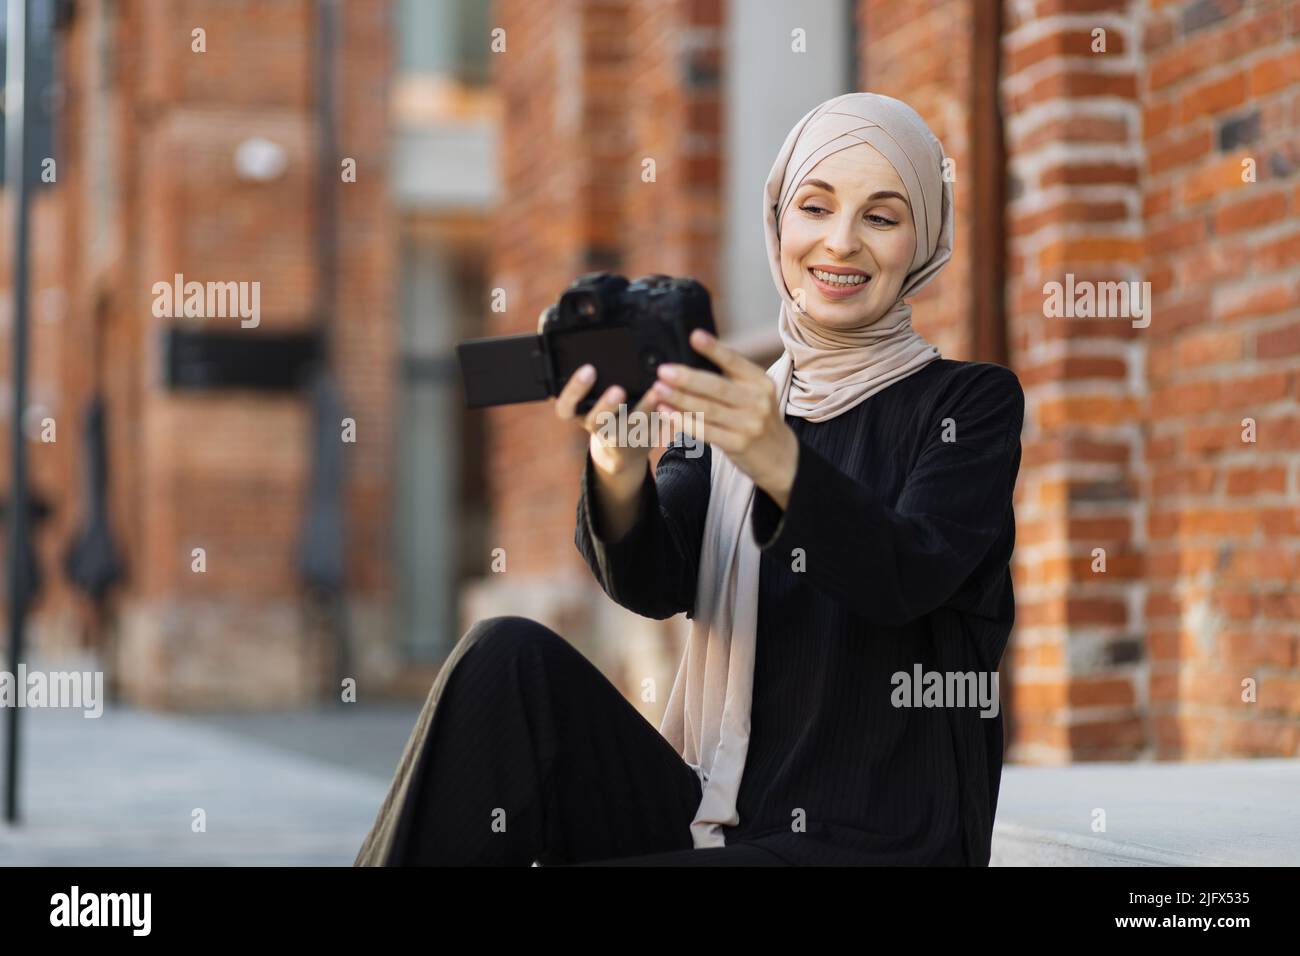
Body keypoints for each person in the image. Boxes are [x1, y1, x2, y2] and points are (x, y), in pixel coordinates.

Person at [355, 92, 1024, 867]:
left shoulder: (968, 403)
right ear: (779, 220)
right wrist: (619, 455)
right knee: (504, 657)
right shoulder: (738, 399)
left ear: (923, 241)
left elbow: (902, 575)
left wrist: (776, 456)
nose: (840, 242)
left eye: (881, 216)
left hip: (879, 838)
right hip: (719, 809)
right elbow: (655, 578)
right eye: (815, 206)